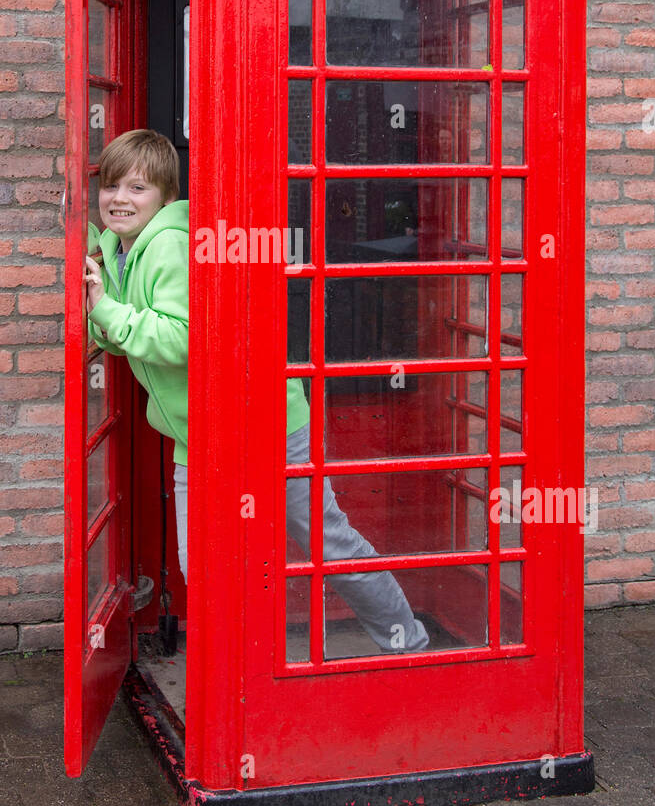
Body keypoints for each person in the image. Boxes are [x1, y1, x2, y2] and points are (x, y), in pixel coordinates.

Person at [84, 128, 429, 655]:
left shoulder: (169, 246)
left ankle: (409, 642)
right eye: (111, 187)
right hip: (197, 434)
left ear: (164, 197)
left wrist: (106, 311)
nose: (119, 200)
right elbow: (126, 333)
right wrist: (99, 310)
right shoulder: (116, 252)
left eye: (137, 188)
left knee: (326, 542)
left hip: (263, 422)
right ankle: (234, 687)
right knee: (201, 566)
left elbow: (180, 338)